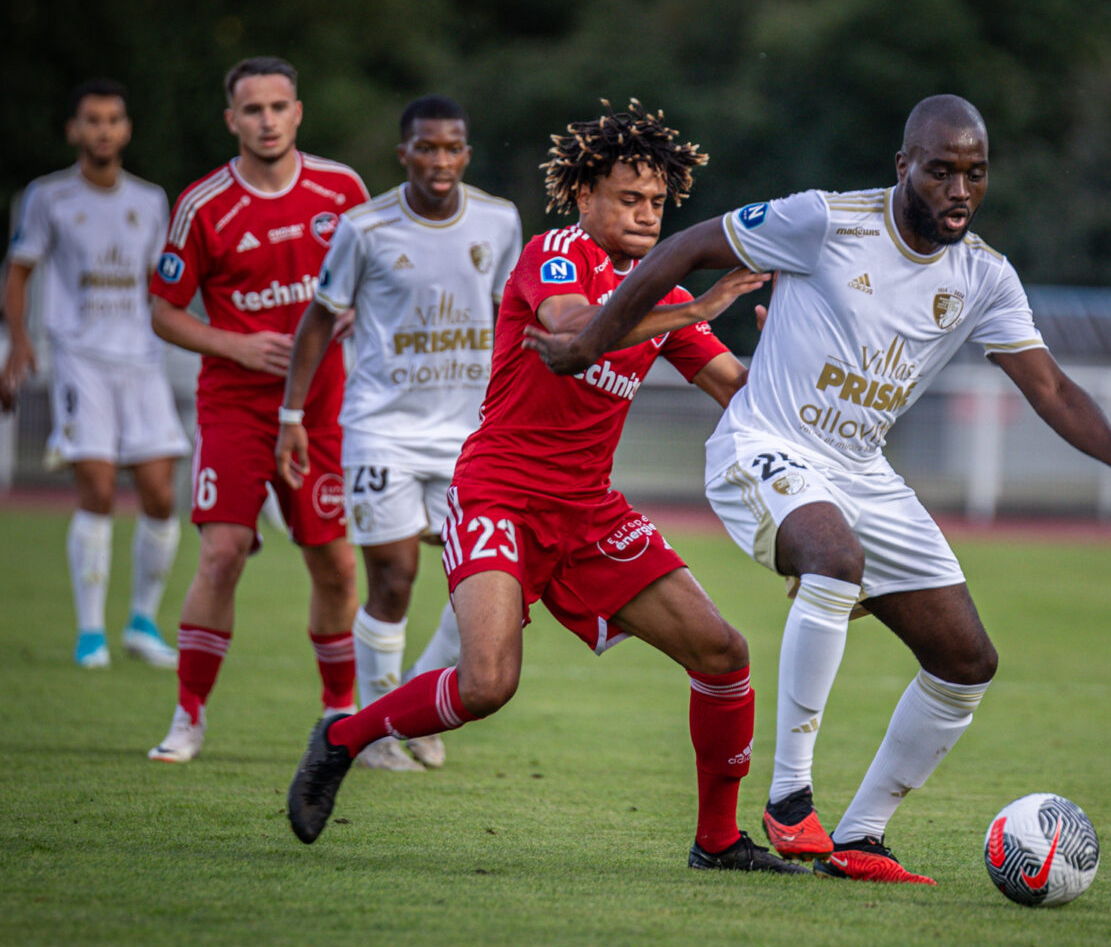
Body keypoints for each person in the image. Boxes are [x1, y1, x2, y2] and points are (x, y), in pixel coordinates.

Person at [524, 94, 1111, 883]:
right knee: (832, 559)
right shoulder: (823, 221)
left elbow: (1047, 388)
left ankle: (861, 837)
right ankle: (788, 800)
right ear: (903, 166)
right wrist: (589, 341)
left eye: (975, 175)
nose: (959, 190)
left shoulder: (984, 277)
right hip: (764, 443)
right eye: (941, 171)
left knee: (966, 661)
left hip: (862, 472)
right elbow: (679, 253)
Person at [286, 100, 799, 875]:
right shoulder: (554, 253)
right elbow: (567, 333)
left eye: (657, 202)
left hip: (588, 510)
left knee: (723, 653)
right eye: (628, 198)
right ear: (585, 194)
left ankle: (718, 842)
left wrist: (789, 352)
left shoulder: (662, 301)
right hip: (499, 492)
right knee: (489, 683)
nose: (645, 215)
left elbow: (742, 390)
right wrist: (692, 305)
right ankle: (343, 739)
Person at [276, 95, 522, 772]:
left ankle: (414, 705)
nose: (440, 161)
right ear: (404, 154)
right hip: (382, 430)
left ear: (466, 154)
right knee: (394, 577)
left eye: (452, 148)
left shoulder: (500, 221)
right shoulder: (365, 227)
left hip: (472, 436)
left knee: (490, 577)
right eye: (426, 148)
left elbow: (513, 318)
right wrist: (292, 417)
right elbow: (321, 321)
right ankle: (380, 732)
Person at [145, 57, 369, 763]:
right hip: (236, 409)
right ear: (231, 120)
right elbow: (163, 311)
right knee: (222, 553)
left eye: (278, 107)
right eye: (252, 110)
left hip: (325, 408)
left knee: (334, 564)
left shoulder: (344, 189)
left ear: (298, 112)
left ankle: (341, 719)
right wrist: (237, 348)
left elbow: (378, 276)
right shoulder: (202, 206)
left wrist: (363, 312)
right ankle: (188, 715)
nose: (267, 120)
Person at [1, 79, 189, 670]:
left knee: (160, 495)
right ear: (74, 130)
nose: (102, 129)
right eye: (92, 120)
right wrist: (20, 342)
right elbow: (20, 272)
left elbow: (165, 279)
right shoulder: (48, 197)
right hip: (81, 361)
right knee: (100, 490)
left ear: (125, 130)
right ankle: (90, 633)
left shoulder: (152, 199)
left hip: (143, 360)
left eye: (112, 119)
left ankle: (140, 621)